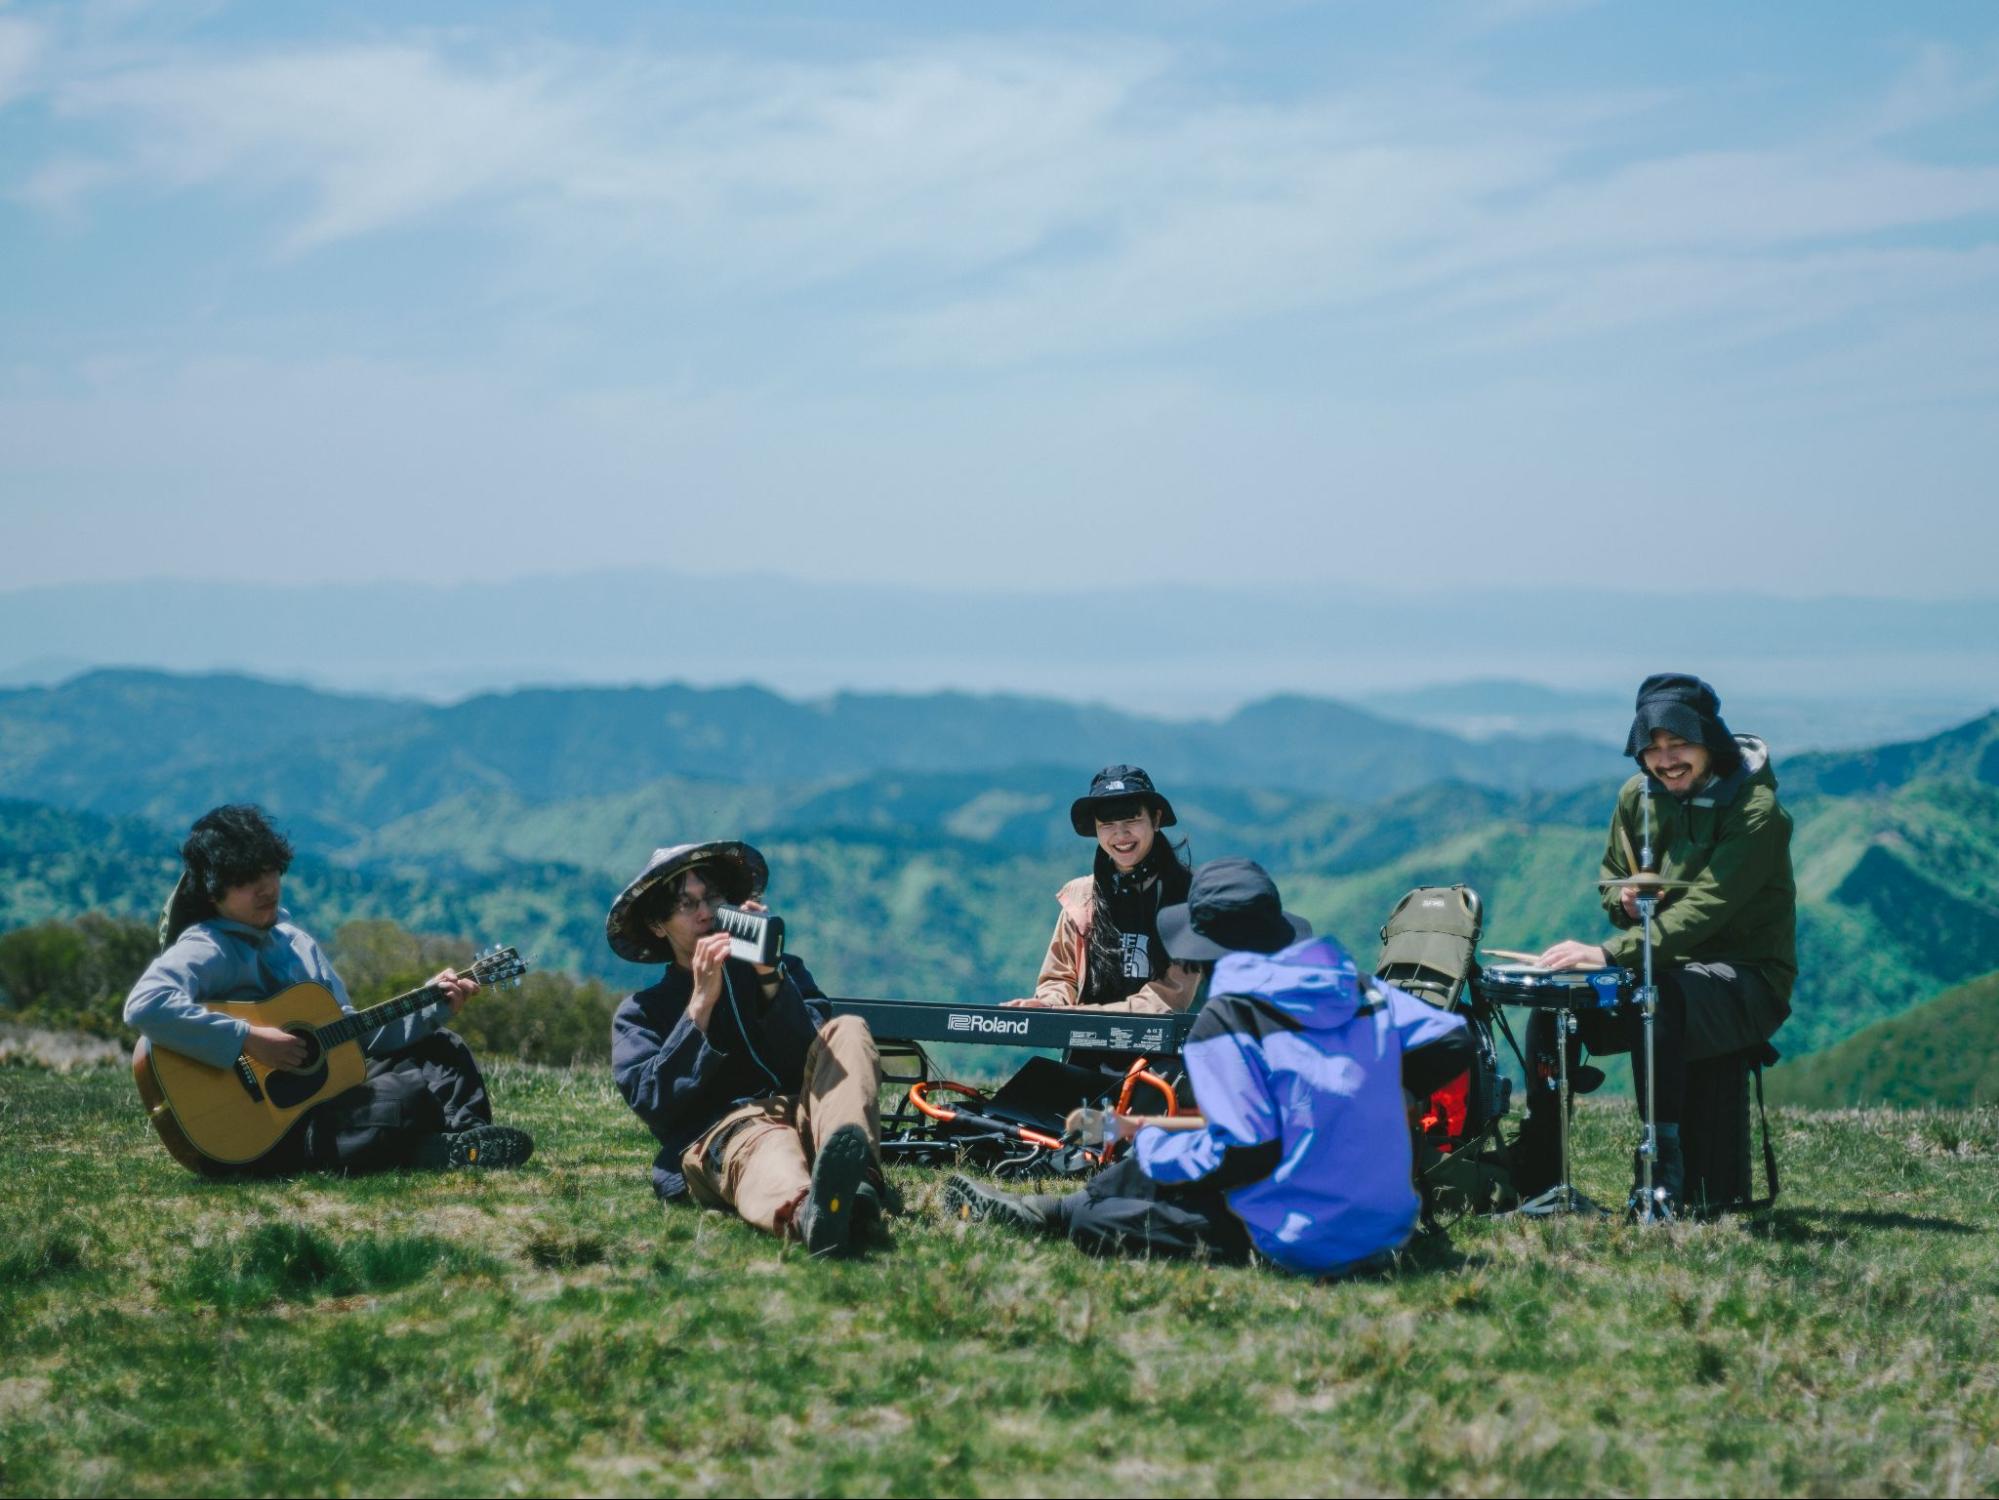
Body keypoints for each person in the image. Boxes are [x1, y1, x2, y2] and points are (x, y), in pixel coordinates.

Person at [946, 858, 1473, 1276]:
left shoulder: (1228, 1019)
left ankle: (1067, 1211)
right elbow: (1454, 1041)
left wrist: (1151, 1149)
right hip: (1386, 1223)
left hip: (1309, 1239)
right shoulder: (1353, 988)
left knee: (1099, 1219)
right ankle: (1056, 1207)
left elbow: (1236, 1156)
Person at [125, 804, 533, 1175]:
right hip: (266, 1129)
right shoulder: (207, 946)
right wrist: (249, 1039)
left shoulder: (295, 943)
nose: (266, 887)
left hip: (324, 1100)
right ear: (214, 892)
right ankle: (411, 1146)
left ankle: (467, 1145)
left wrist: (431, 1004)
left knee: (442, 1047)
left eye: (269, 871)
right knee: (403, 1096)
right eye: (247, 880)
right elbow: (144, 1006)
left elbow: (352, 1036)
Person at [1527, 673, 1795, 1214]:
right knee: (1554, 1003)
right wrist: (1621, 903)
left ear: (1710, 742)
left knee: (1660, 999)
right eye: (1653, 748)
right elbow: (1612, 874)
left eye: (1680, 745)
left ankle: (1660, 1177)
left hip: (1746, 980)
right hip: (1658, 967)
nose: (1666, 760)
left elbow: (1705, 910)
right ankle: (1540, 1168)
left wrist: (1608, 953)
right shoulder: (1636, 797)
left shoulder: (1756, 812)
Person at [608, 841, 891, 1258]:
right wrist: (700, 1003)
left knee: (847, 1029)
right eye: (686, 905)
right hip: (729, 1134)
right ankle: (810, 1213)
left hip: (807, 1115)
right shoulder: (640, 1012)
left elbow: (814, 1054)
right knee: (764, 1144)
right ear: (657, 926)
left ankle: (857, 1182)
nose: (705, 914)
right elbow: (653, 1101)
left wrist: (770, 978)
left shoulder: (781, 969)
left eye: (712, 898)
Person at [1004, 765, 1200, 1017]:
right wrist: (1050, 1003)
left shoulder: (1191, 897)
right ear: (1096, 829)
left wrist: (1086, 1016)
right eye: (1107, 823)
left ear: (1156, 819)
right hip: (1086, 1050)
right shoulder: (1081, 898)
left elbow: (1170, 997)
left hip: (1168, 1053)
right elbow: (1061, 977)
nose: (1120, 834)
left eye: (1132, 819)